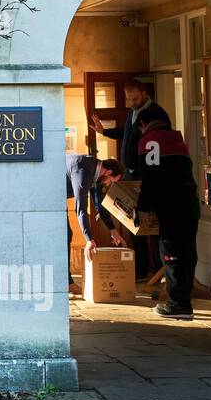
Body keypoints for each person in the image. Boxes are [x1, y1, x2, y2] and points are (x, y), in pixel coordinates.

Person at [133, 109, 200, 319]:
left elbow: (151, 179)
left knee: (170, 253)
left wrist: (143, 207)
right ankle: (184, 301)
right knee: (188, 253)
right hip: (190, 204)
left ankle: (177, 305)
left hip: (170, 207)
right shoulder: (178, 141)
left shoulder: (150, 142)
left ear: (144, 123)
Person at [65, 154, 125, 294]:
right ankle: (66, 282)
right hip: (49, 192)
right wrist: (89, 240)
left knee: (67, 234)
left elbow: (100, 206)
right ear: (108, 172)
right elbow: (80, 209)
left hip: (59, 193)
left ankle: (66, 282)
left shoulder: (95, 173)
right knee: (65, 235)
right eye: (112, 181)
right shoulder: (83, 168)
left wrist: (112, 230)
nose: (109, 184)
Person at [90, 80, 170, 178]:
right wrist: (104, 131)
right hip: (130, 172)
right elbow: (126, 132)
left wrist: (150, 176)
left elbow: (158, 145)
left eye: (135, 99)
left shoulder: (156, 114)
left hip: (144, 174)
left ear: (144, 94)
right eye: (129, 99)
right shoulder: (133, 110)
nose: (132, 103)